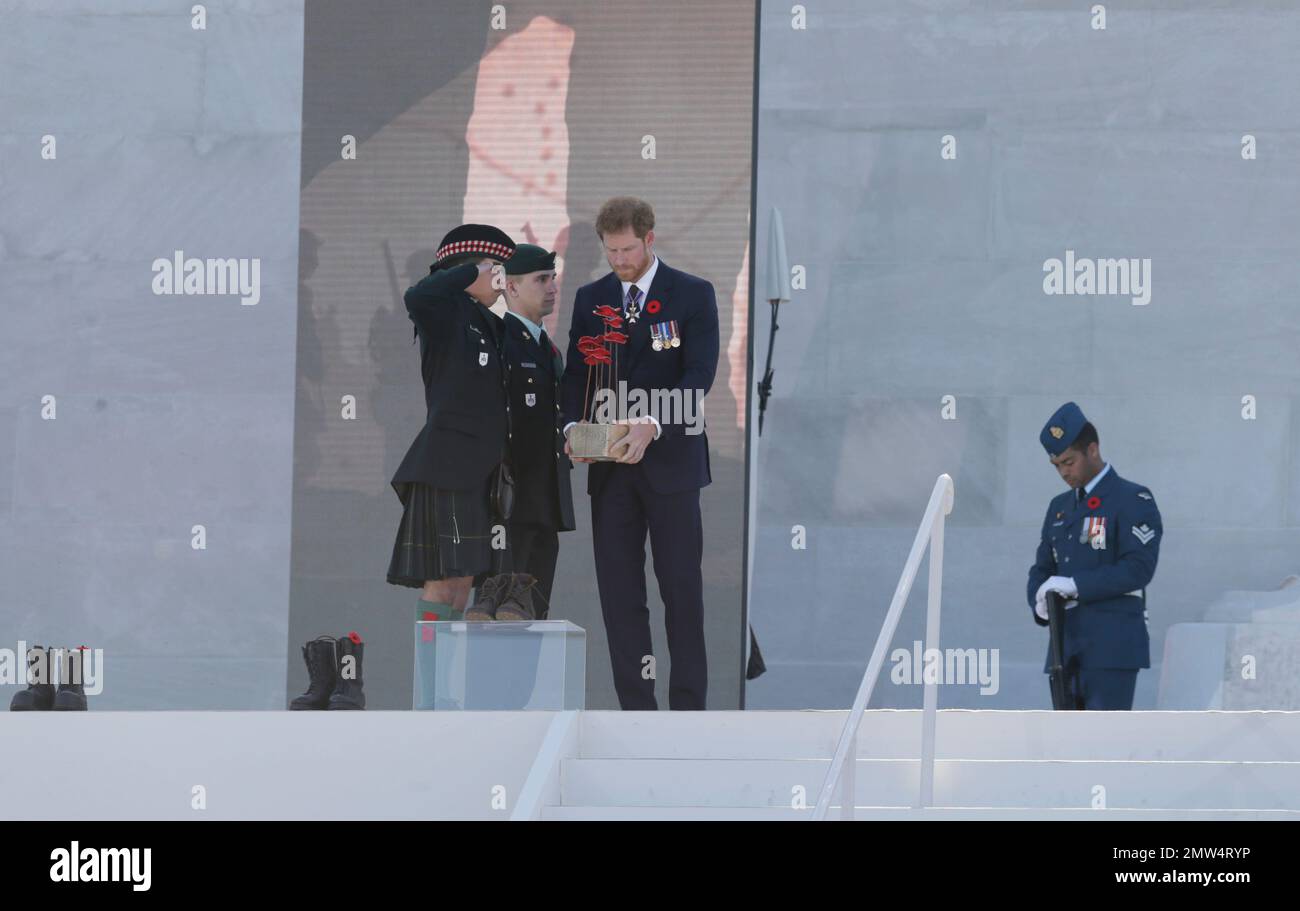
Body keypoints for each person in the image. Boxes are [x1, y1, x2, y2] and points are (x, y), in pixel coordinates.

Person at [560, 197, 719, 710]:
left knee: (681, 593)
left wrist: (653, 424)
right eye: (611, 251)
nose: (620, 259)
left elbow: (699, 376)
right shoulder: (591, 297)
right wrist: (572, 429)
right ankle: (636, 710)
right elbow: (577, 377)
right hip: (611, 474)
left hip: (672, 468)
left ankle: (688, 709)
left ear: (650, 239)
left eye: (628, 249)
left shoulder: (692, 294)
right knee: (620, 596)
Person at [386, 224, 515, 634]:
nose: (501, 281)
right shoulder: (444, 310)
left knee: (463, 586)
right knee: (441, 584)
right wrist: (470, 268)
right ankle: (431, 692)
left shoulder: (487, 320)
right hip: (449, 467)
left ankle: (449, 691)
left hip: (482, 469)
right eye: (496, 270)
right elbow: (417, 296)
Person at [1027, 402, 1163, 710]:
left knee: (1102, 747)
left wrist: (1074, 585)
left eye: (1069, 462)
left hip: (1111, 646)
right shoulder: (1059, 507)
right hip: (1065, 646)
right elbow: (1043, 566)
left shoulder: (1131, 499)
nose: (1063, 472)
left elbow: (1138, 568)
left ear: (1093, 449)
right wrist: (1037, 598)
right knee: (1067, 749)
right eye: (1057, 465)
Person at [471, 243, 574, 619]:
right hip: (508, 503)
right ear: (511, 287)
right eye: (541, 278)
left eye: (553, 278)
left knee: (533, 619)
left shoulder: (549, 349)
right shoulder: (497, 340)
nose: (551, 286)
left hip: (545, 501)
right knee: (495, 614)